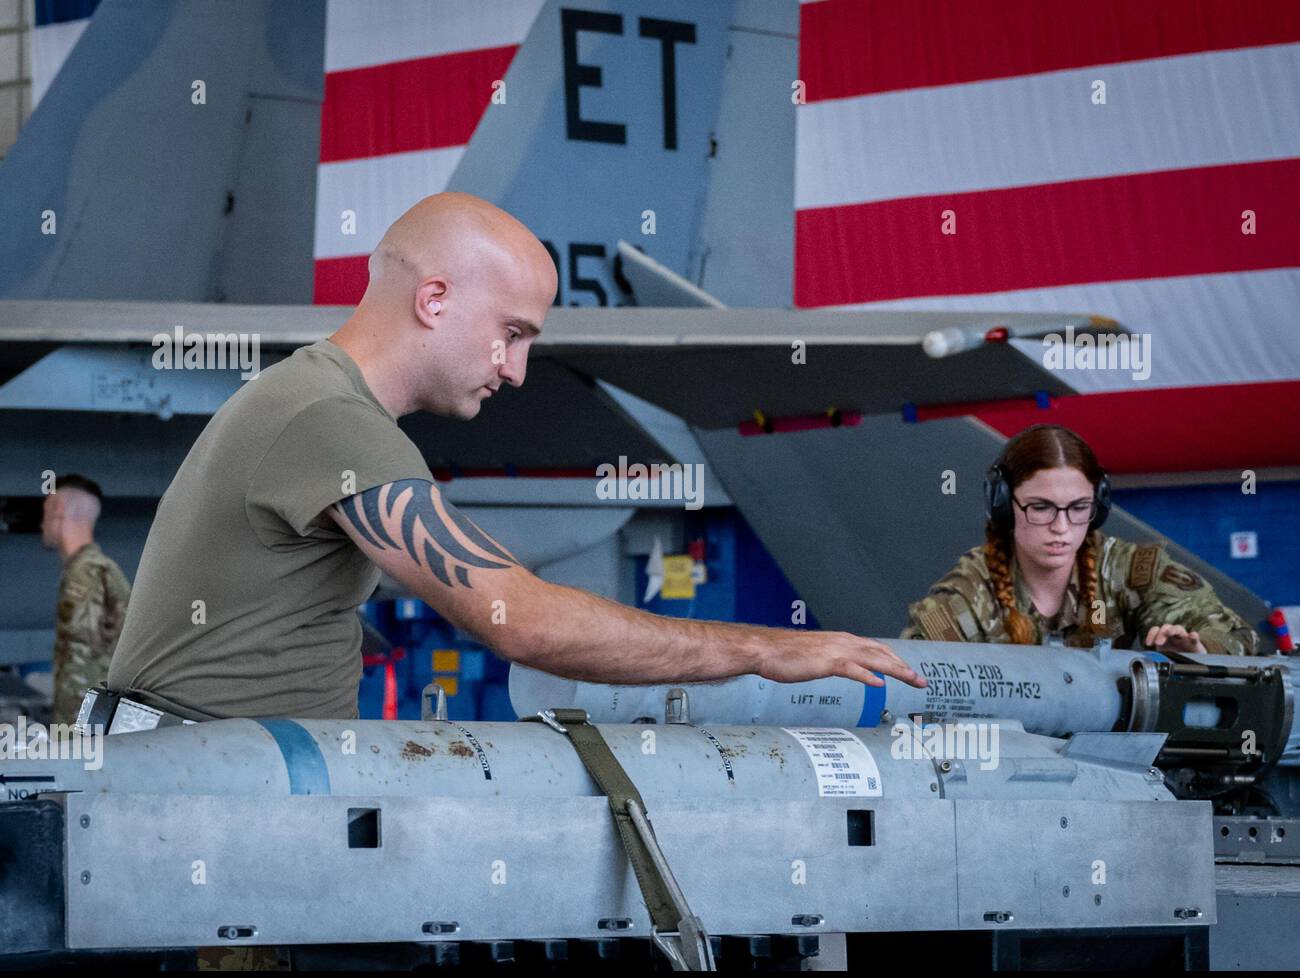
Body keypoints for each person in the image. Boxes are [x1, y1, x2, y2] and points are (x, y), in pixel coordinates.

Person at [107, 192, 923, 722]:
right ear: (434, 300)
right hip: (206, 826)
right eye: (513, 334)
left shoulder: (321, 403)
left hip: (217, 798)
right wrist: (774, 650)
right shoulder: (329, 418)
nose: (517, 369)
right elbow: (520, 620)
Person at [900, 424, 1259, 654]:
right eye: (1041, 507)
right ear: (1004, 506)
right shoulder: (969, 593)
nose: (1061, 526)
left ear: (1097, 507)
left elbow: (1236, 635)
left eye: (1078, 507)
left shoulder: (1130, 571)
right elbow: (918, 676)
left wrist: (1198, 650)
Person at [41, 474, 133, 724]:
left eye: (45, 511)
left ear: (58, 510)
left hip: (85, 730)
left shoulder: (85, 574)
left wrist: (70, 735)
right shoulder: (95, 568)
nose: (42, 524)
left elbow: (80, 665)